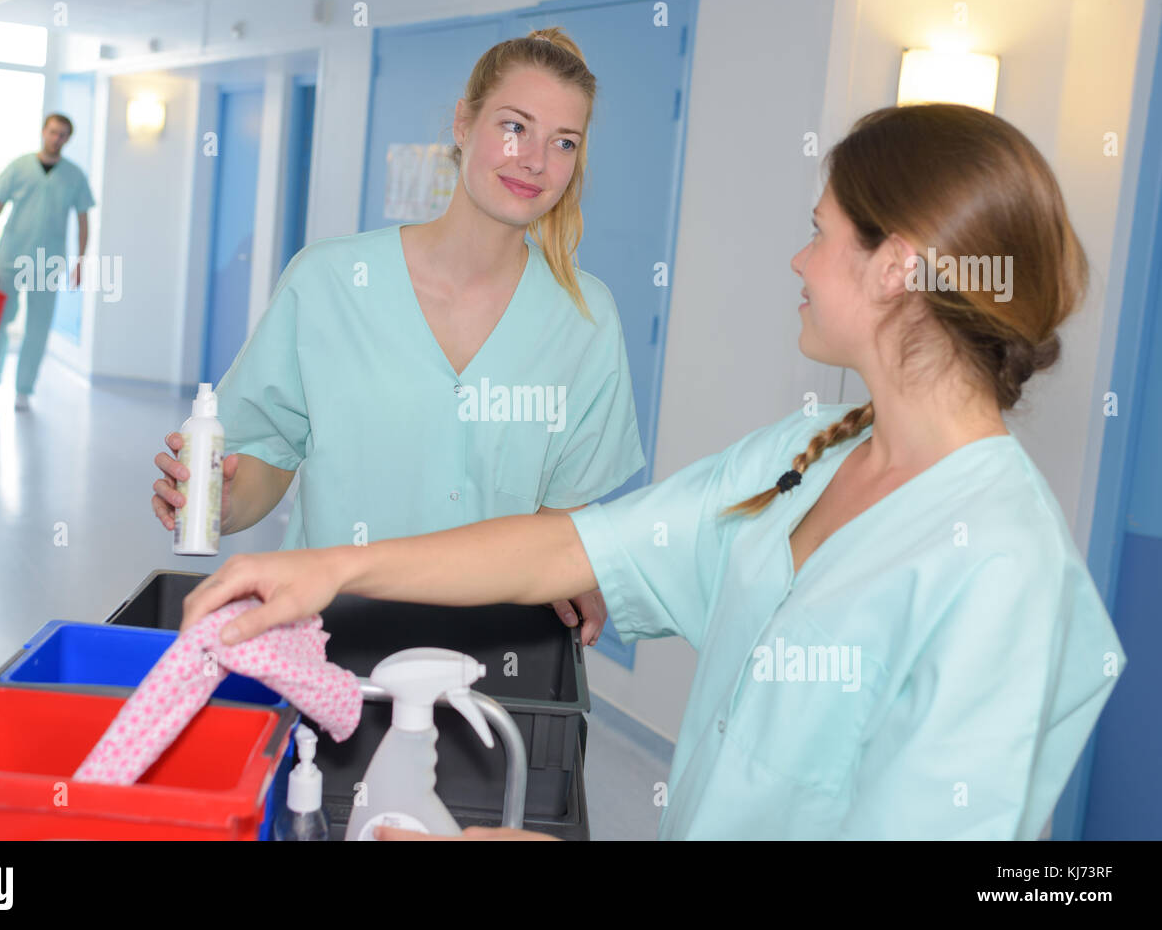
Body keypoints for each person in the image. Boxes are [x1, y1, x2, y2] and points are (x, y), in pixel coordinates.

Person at [178, 103, 1127, 841]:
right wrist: (332, 568)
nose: (798, 259)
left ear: (895, 269)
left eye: (821, 231)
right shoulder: (809, 456)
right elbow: (570, 548)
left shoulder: (1003, 569)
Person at [152, 29, 646, 644]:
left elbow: (560, 529)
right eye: (514, 127)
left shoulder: (585, 319)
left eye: (564, 142)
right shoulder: (329, 282)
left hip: (491, 653)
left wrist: (576, 567)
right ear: (463, 124)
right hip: (325, 641)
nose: (535, 160)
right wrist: (224, 503)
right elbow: (266, 458)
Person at [0, 112, 95, 411]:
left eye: (62, 134)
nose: (56, 138)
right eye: (52, 132)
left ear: (68, 139)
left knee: (38, 327)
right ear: (43, 132)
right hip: (11, 257)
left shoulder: (74, 177)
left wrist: (80, 262)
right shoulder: (19, 167)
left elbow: (83, 222)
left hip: (48, 263)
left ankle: (24, 388)